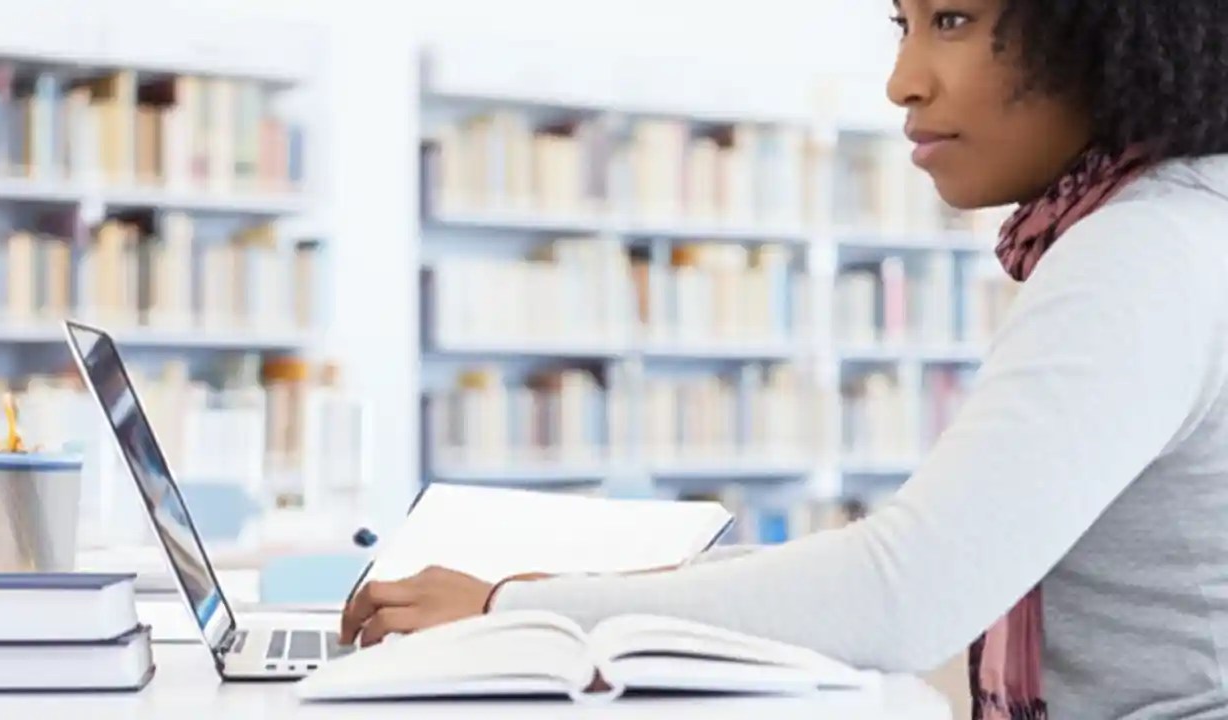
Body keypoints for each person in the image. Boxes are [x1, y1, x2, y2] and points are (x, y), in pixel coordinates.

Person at [343, 0, 1228, 716]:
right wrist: (573, 591)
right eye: (903, 23)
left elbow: (904, 594)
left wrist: (514, 614)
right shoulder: (1183, 223)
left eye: (952, 21)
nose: (902, 81)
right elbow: (908, 561)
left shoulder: (1137, 253)